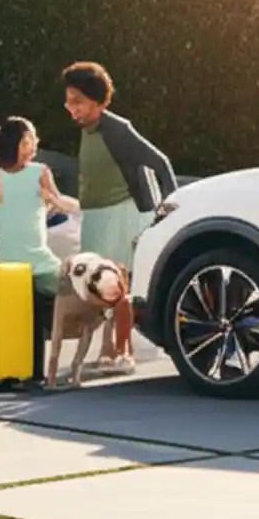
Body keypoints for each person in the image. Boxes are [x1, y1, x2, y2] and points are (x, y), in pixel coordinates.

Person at [62, 61, 178, 373]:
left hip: (122, 213)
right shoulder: (88, 130)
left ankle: (119, 354)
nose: (71, 108)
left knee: (115, 288)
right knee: (96, 289)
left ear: (98, 101)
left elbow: (159, 162)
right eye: (68, 101)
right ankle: (107, 351)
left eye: (78, 101)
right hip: (96, 216)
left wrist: (170, 206)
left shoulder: (117, 129)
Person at [0, 117, 81, 386]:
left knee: (76, 290)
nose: (33, 146)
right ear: (12, 144)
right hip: (9, 269)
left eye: (34, 141)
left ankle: (47, 369)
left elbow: (71, 206)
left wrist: (53, 199)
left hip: (41, 263)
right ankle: (17, 370)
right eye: (27, 141)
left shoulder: (40, 172)